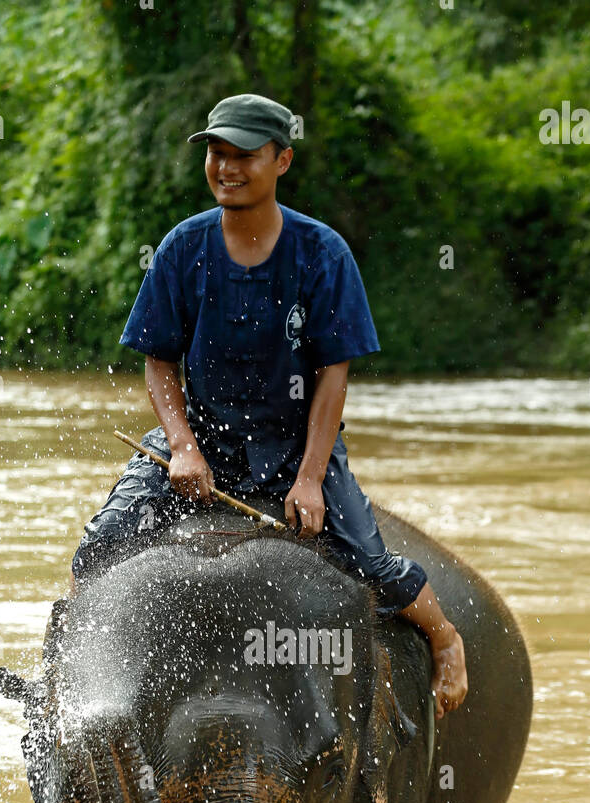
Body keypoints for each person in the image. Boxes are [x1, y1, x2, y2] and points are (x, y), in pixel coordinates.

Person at [69, 93, 467, 718]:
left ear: (281, 160)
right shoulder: (182, 248)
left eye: (243, 156)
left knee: (369, 560)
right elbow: (158, 362)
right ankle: (66, 691)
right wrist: (180, 447)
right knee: (98, 548)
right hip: (199, 438)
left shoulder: (323, 254)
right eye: (217, 154)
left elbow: (334, 376)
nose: (226, 168)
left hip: (292, 444)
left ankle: (445, 636)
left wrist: (311, 478)